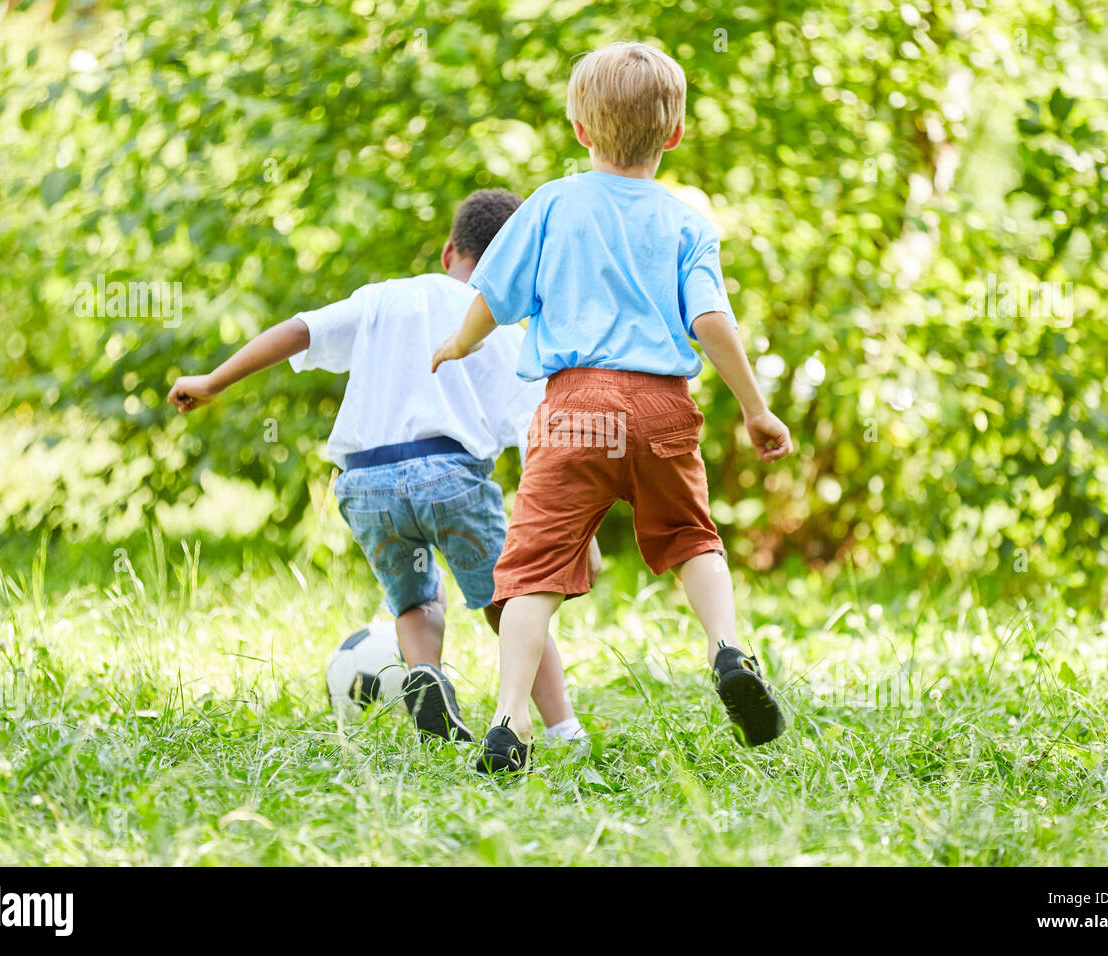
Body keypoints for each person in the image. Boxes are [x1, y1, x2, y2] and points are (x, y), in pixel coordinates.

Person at [432, 43, 792, 773]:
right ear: (675, 134)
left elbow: (494, 297)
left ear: (579, 128)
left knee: (530, 571)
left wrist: (458, 344)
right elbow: (711, 320)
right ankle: (728, 651)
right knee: (693, 537)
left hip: (574, 410)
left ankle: (508, 722)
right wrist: (756, 408)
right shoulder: (686, 222)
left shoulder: (553, 203)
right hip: (660, 407)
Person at [169, 189, 593, 745]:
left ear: (448, 253)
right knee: (510, 602)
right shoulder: (505, 333)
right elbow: (545, 440)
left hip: (366, 484)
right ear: (517, 270)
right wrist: (578, 529)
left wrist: (212, 380)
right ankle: (563, 729)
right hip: (450, 478)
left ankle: (426, 677)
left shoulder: (383, 299)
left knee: (416, 600)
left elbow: (299, 330)